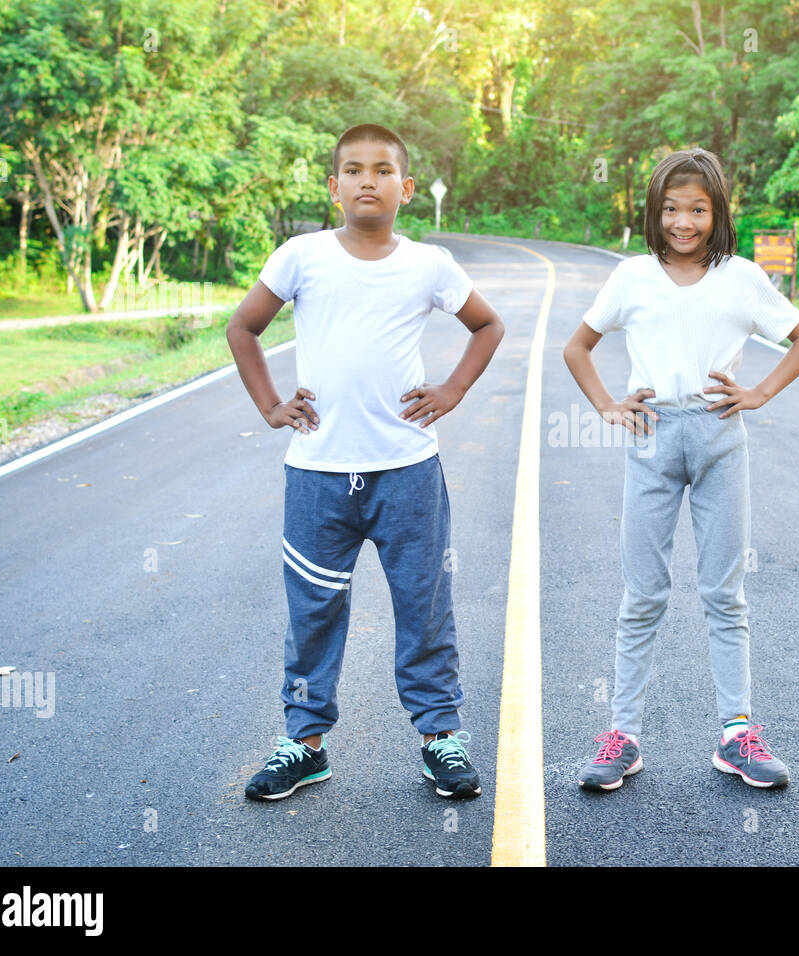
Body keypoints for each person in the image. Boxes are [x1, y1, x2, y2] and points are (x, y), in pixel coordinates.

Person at [226, 123, 504, 800]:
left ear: (406, 188)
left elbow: (487, 325)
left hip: (407, 469)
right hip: (318, 473)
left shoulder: (429, 264)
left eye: (383, 170)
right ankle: (306, 741)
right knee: (313, 610)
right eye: (353, 169)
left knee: (423, 604)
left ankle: (441, 737)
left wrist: (453, 389)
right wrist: (269, 405)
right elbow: (244, 327)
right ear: (334, 186)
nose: (368, 180)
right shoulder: (302, 256)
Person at [562, 147, 799, 791]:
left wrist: (758, 393)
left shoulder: (740, 277)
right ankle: (622, 736)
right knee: (644, 593)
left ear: (717, 212)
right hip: (652, 437)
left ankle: (737, 735)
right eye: (671, 208)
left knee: (723, 593)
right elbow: (578, 346)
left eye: (698, 209)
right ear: (655, 212)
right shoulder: (632, 276)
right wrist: (607, 403)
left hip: (718, 437)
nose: (683, 221)